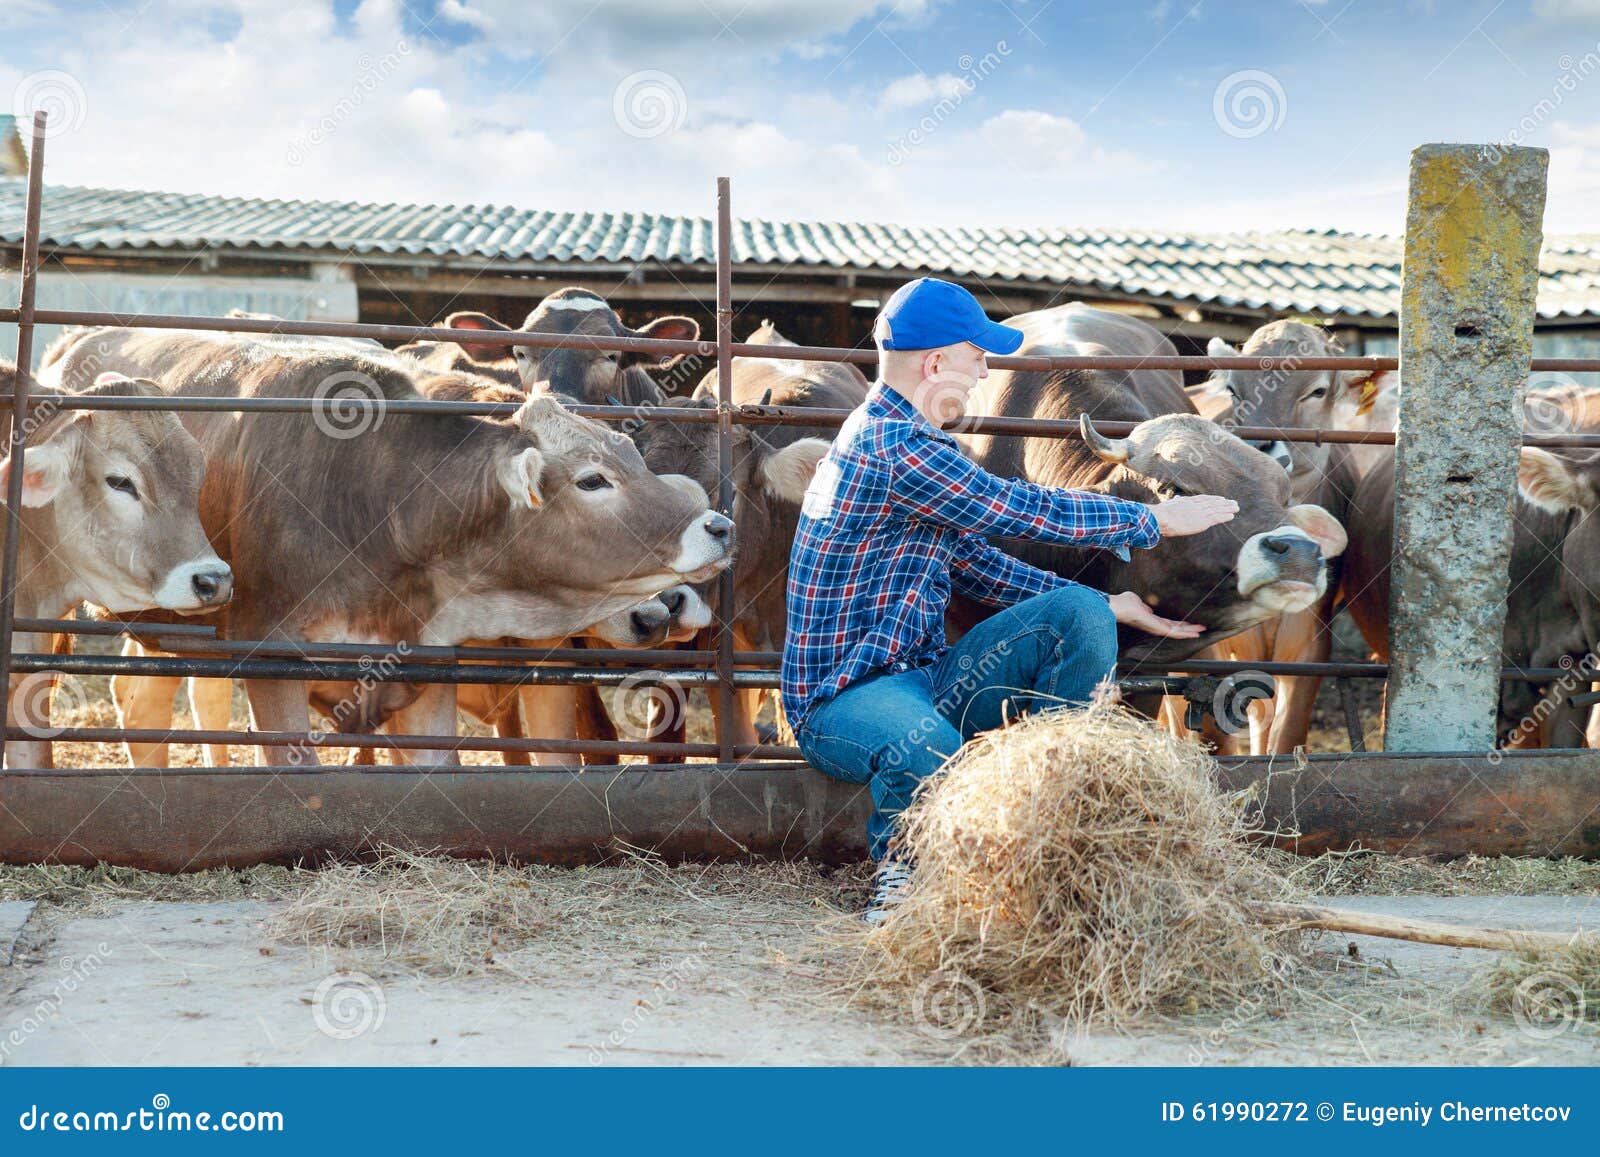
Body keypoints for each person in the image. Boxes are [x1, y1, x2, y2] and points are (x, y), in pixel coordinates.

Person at [780, 277, 1239, 924]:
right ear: (935, 363)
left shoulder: (922, 444)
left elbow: (977, 562)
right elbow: (1016, 507)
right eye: (976, 355)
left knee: (1078, 612)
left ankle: (1052, 817)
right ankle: (902, 885)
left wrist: (1110, 606)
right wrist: (1153, 521)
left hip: (924, 676)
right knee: (927, 746)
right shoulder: (891, 445)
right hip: (845, 697)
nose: (985, 370)